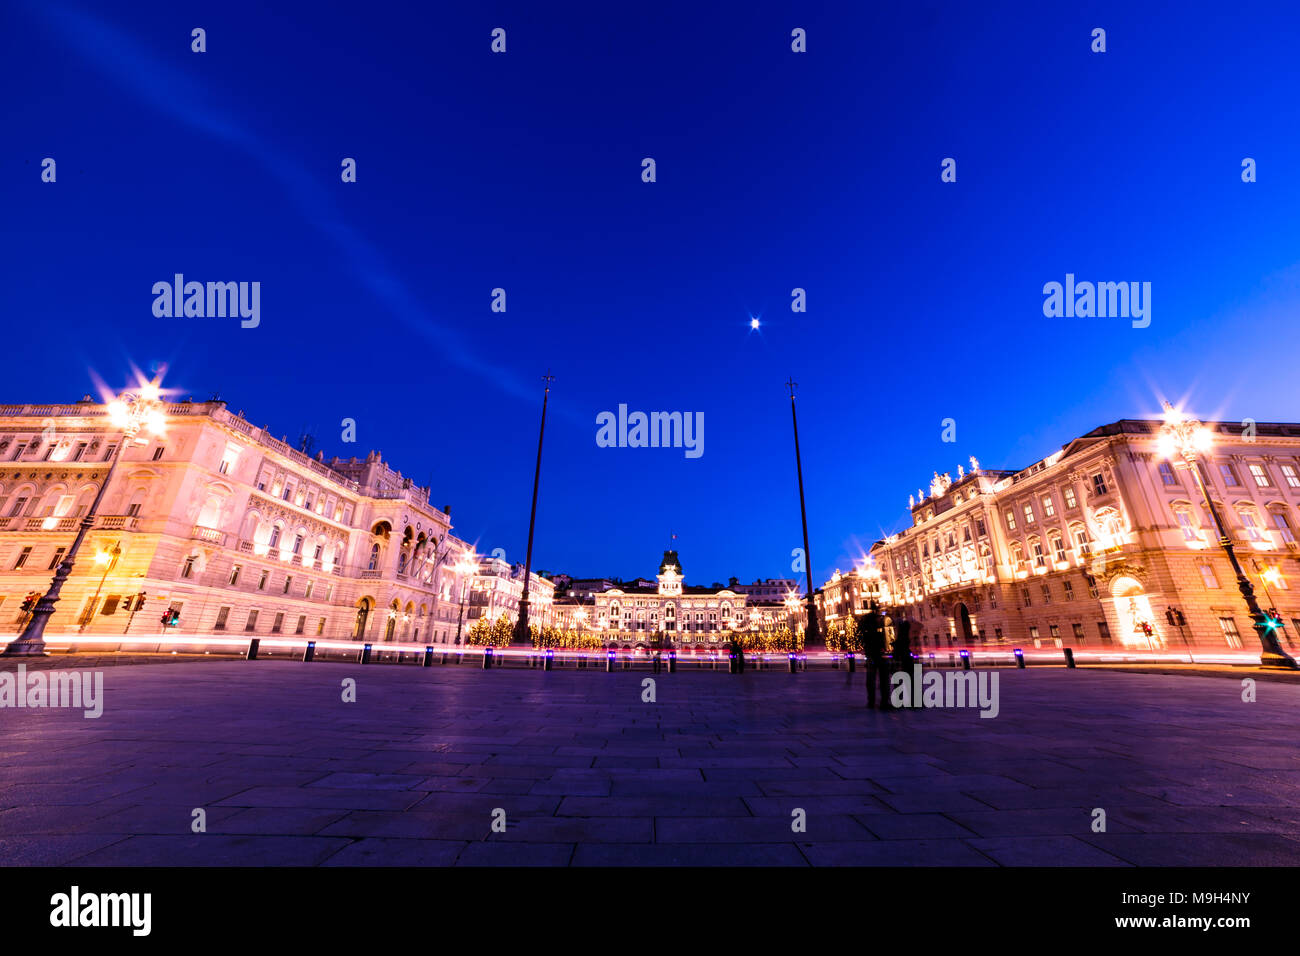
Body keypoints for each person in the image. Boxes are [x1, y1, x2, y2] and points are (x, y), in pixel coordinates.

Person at [857, 602, 890, 709]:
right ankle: (883, 701)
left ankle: (873, 701)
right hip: (878, 653)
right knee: (882, 679)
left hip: (872, 653)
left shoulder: (866, 621)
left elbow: (860, 634)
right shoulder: (879, 621)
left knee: (872, 678)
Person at [890, 613, 913, 709]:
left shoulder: (901, 638)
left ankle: (899, 700)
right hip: (906, 661)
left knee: (899, 681)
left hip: (901, 662)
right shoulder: (906, 636)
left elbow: (897, 650)